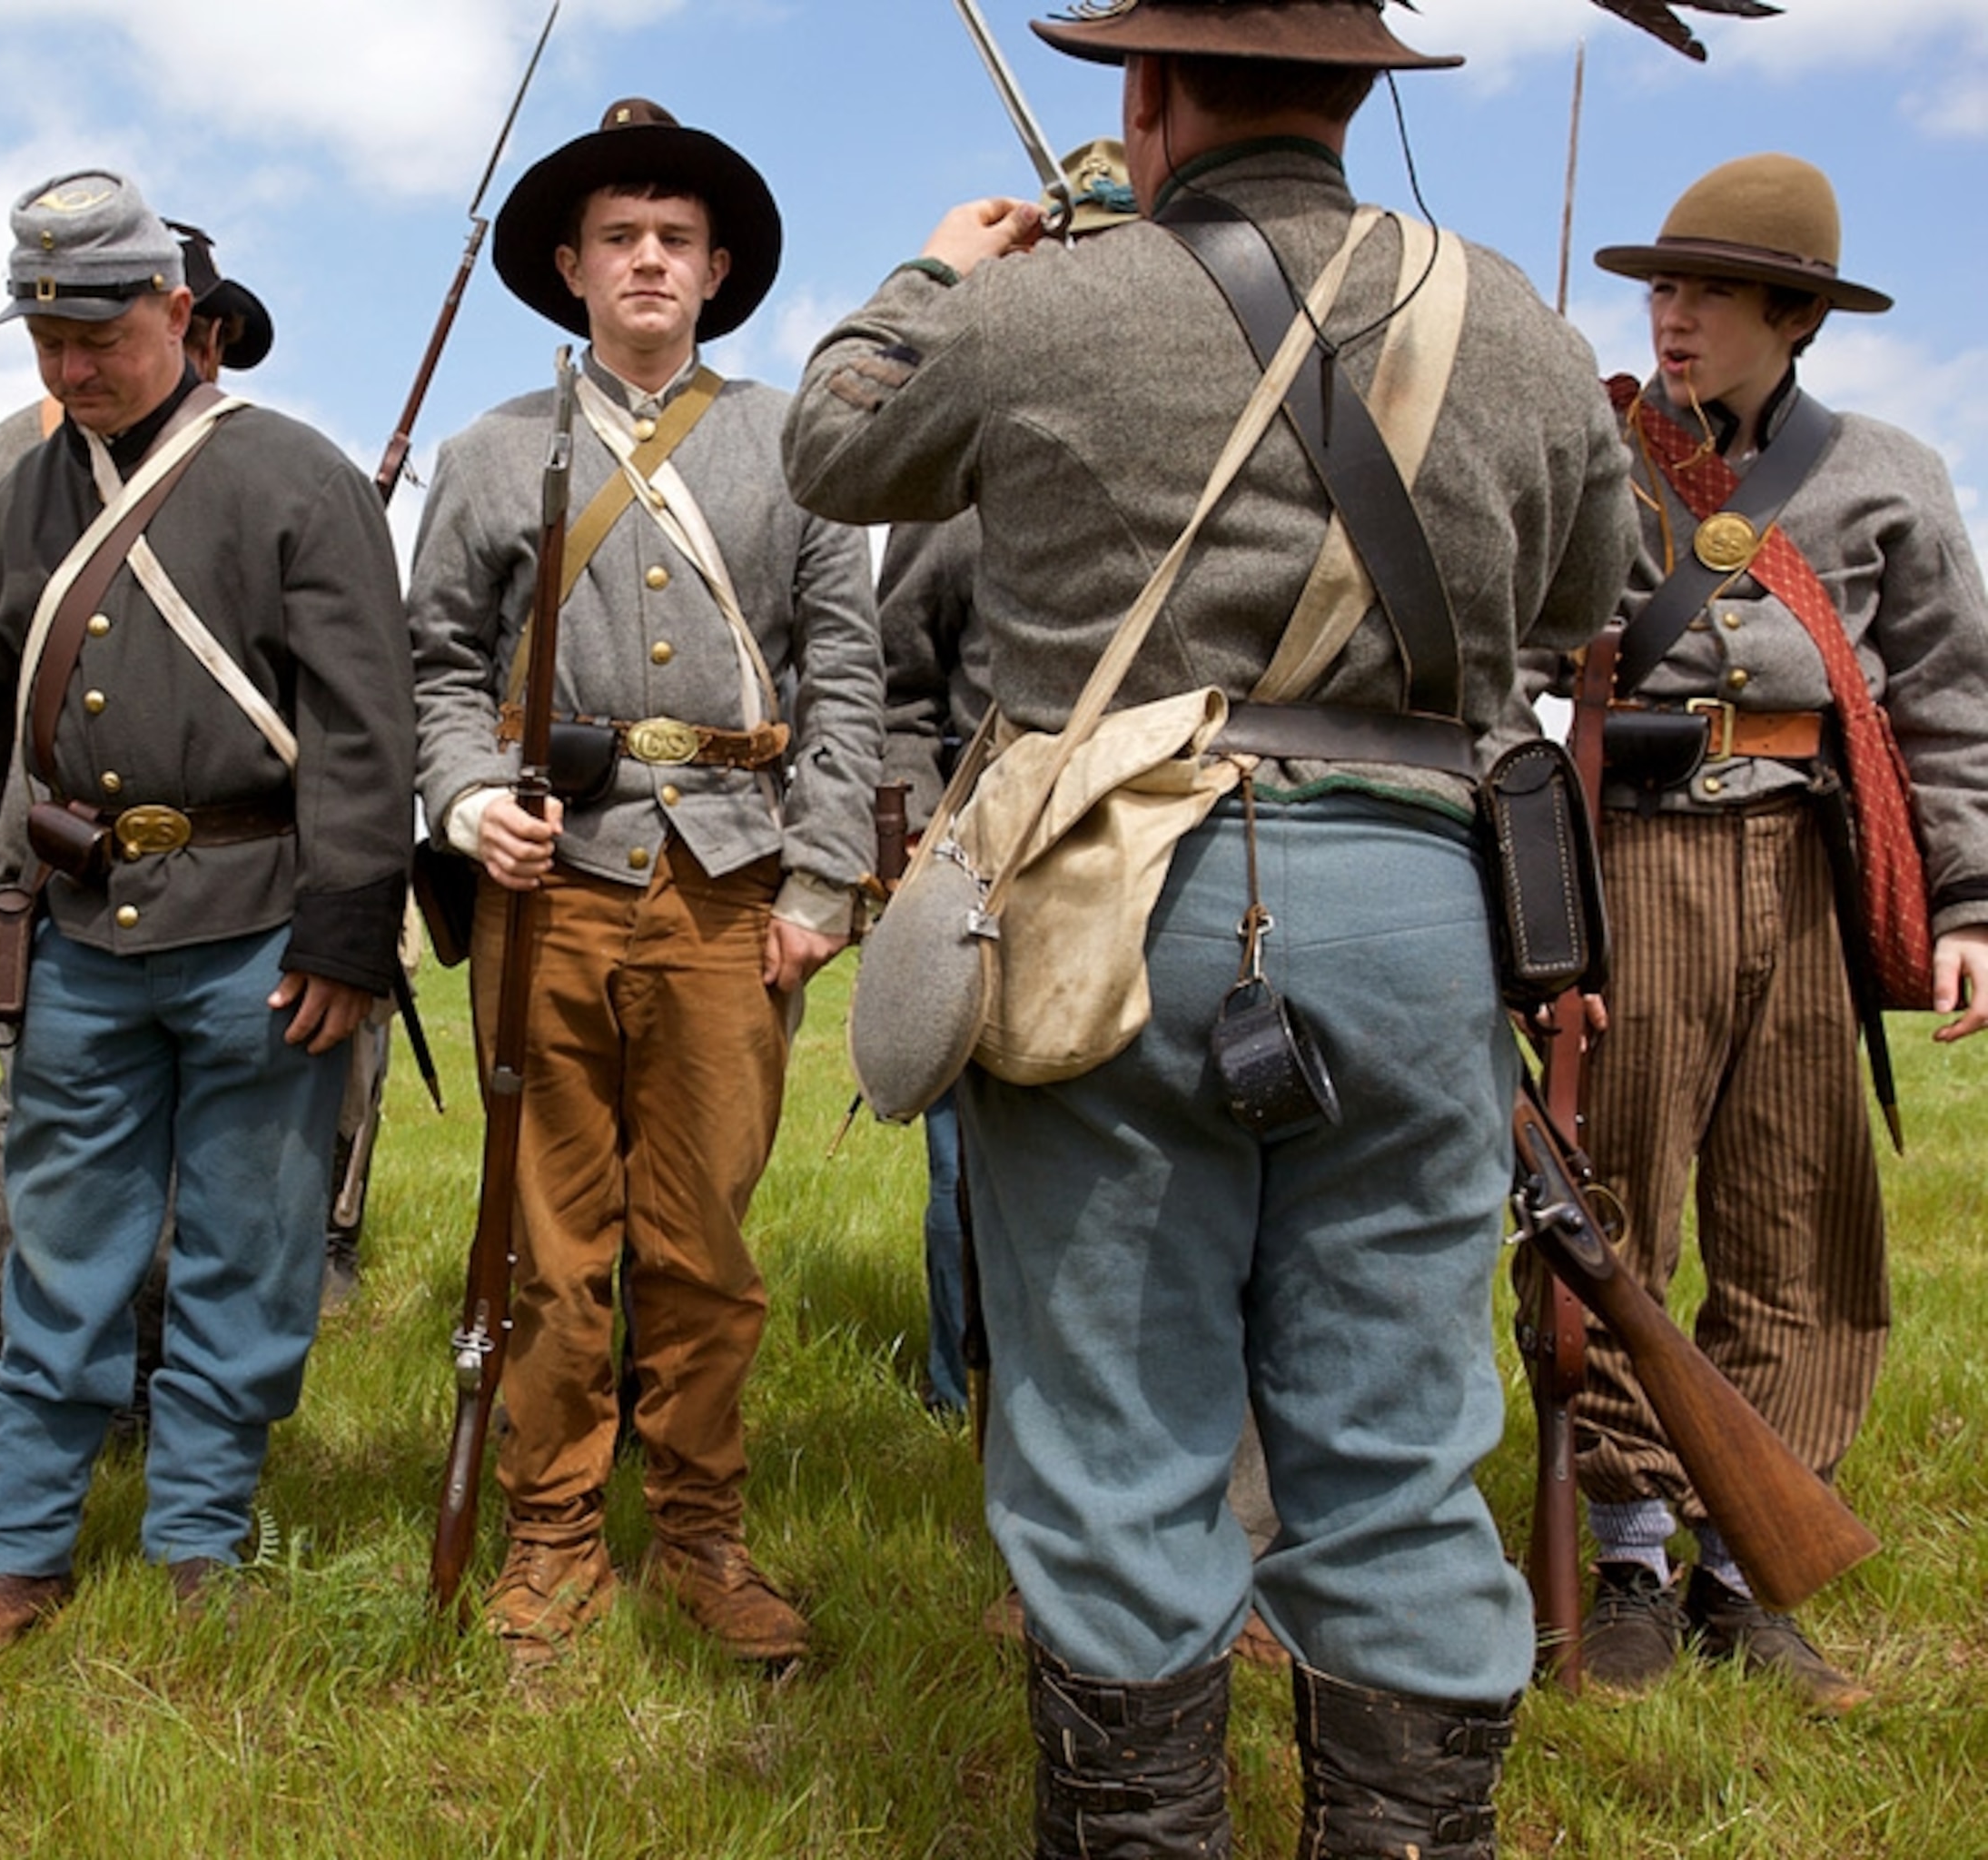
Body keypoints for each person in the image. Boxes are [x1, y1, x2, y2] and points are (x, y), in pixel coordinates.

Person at [783, 4, 1635, 1851]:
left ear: (1144, 93)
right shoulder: (1516, 320)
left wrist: (933, 273)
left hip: (1115, 908)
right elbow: (1596, 586)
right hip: (1422, 918)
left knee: (1109, 1457)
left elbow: (836, 450)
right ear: (1354, 92)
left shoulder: (1035, 308)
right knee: (1402, 1453)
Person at [0, 166, 412, 1670]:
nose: (69, 367)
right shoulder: (4, 493)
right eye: (44, 338)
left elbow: (368, 730)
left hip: (262, 926)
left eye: (98, 332)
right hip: (81, 929)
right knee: (57, 1254)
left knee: (245, 1251)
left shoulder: (300, 479)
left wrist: (349, 931)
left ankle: (198, 1544)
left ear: (180, 313)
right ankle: (17, 1554)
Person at [410, 99, 881, 1667]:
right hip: (551, 887)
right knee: (553, 1244)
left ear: (718, 266)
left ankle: (700, 1537)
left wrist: (824, 878)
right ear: (569, 266)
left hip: (736, 885)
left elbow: (847, 671)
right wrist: (473, 798)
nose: (648, 261)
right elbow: (433, 673)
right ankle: (550, 1539)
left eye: (675, 239)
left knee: (704, 1248)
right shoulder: (492, 457)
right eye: (619, 238)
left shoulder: (790, 445)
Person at [1566, 153, 1988, 1714]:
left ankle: (1745, 1573)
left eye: (1706, 293)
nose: (1669, 318)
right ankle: (1620, 1551)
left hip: (1811, 865)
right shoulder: (1595, 453)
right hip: (1637, 860)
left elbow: (1950, 704)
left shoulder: (1886, 470)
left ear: (1792, 313)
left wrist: (1974, 907)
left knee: (1798, 1208)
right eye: (1658, 289)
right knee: (1612, 1200)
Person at [0, 220, 282, 1392]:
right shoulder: (15, 466)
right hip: (51, 858)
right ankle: (34, 1340)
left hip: (211, 871)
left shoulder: (253, 470)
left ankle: (146, 1366)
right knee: (43, 1126)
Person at [881, 137, 1135, 1421]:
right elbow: (898, 686)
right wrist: (923, 859)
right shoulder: (965, 468)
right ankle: (968, 1396)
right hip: (1001, 856)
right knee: (971, 1173)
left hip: (1167, 849)